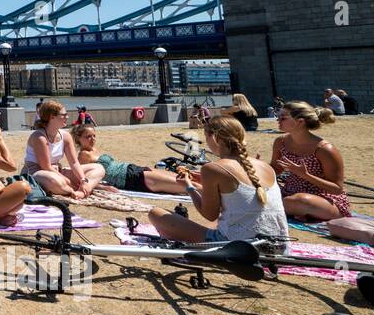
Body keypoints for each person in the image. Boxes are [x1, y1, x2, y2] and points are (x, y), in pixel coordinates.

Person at [147, 115, 288, 245]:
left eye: (206, 137)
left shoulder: (212, 168)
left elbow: (209, 215)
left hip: (238, 247)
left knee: (156, 214)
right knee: (218, 223)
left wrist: (189, 187)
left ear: (214, 138)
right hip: (279, 246)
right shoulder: (265, 167)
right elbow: (242, 199)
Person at [271, 101, 351, 220]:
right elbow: (275, 169)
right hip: (289, 193)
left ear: (300, 122)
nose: (278, 120)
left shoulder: (324, 149)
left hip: (324, 198)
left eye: (283, 117)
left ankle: (287, 208)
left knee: (300, 200)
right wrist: (258, 168)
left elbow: (337, 189)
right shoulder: (280, 142)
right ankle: (295, 211)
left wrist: (305, 175)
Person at [72, 123, 190, 195]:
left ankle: (208, 188)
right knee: (185, 185)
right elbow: (82, 179)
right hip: (129, 178)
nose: (92, 139)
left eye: (94, 136)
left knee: (183, 178)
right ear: (79, 139)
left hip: (132, 169)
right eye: (88, 137)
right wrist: (104, 187)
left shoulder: (94, 150)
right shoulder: (83, 155)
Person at [22, 99, 103, 199]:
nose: (67, 117)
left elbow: (74, 162)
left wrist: (83, 180)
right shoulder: (39, 137)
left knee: (99, 168)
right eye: (64, 115)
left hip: (57, 170)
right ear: (52, 117)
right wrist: (66, 179)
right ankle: (72, 190)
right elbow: (46, 166)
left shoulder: (65, 136)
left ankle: (84, 189)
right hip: (37, 172)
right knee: (52, 180)